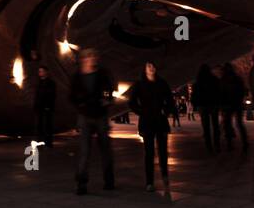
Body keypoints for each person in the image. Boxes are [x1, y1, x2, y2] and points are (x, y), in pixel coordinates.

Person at [69, 49, 116, 194]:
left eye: (95, 56)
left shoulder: (102, 74)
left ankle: (109, 180)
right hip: (85, 116)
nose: (93, 59)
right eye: (90, 56)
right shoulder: (77, 76)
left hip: (100, 115)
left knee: (105, 149)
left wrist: (106, 99)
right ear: (83, 59)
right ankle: (81, 183)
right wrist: (80, 105)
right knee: (84, 151)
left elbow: (109, 88)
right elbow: (71, 95)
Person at [126, 61, 176, 191]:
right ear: (144, 69)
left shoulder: (162, 83)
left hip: (160, 121)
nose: (152, 68)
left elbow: (170, 100)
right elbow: (131, 102)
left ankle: (164, 174)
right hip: (147, 122)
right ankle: (149, 182)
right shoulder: (139, 84)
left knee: (163, 151)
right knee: (149, 152)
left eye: (153, 65)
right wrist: (141, 111)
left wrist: (165, 110)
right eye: (149, 66)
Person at [219, 61, 249, 152]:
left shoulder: (223, 80)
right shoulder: (237, 79)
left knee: (228, 123)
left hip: (228, 104)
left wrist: (222, 104)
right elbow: (243, 90)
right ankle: (244, 142)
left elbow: (221, 93)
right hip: (236, 103)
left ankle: (230, 143)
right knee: (239, 123)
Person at [192, 64, 221, 154]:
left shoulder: (198, 82)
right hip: (213, 104)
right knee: (215, 126)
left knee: (206, 127)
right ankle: (217, 145)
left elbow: (195, 95)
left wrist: (195, 104)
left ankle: (209, 146)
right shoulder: (214, 79)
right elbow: (219, 91)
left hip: (203, 106)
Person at [33, 65, 56, 148]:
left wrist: (48, 106)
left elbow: (52, 96)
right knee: (39, 126)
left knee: (47, 126)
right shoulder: (38, 83)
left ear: (46, 72)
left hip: (47, 107)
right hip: (39, 107)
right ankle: (40, 142)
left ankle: (48, 143)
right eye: (39, 71)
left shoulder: (51, 83)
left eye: (42, 71)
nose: (41, 73)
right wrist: (35, 106)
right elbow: (37, 95)